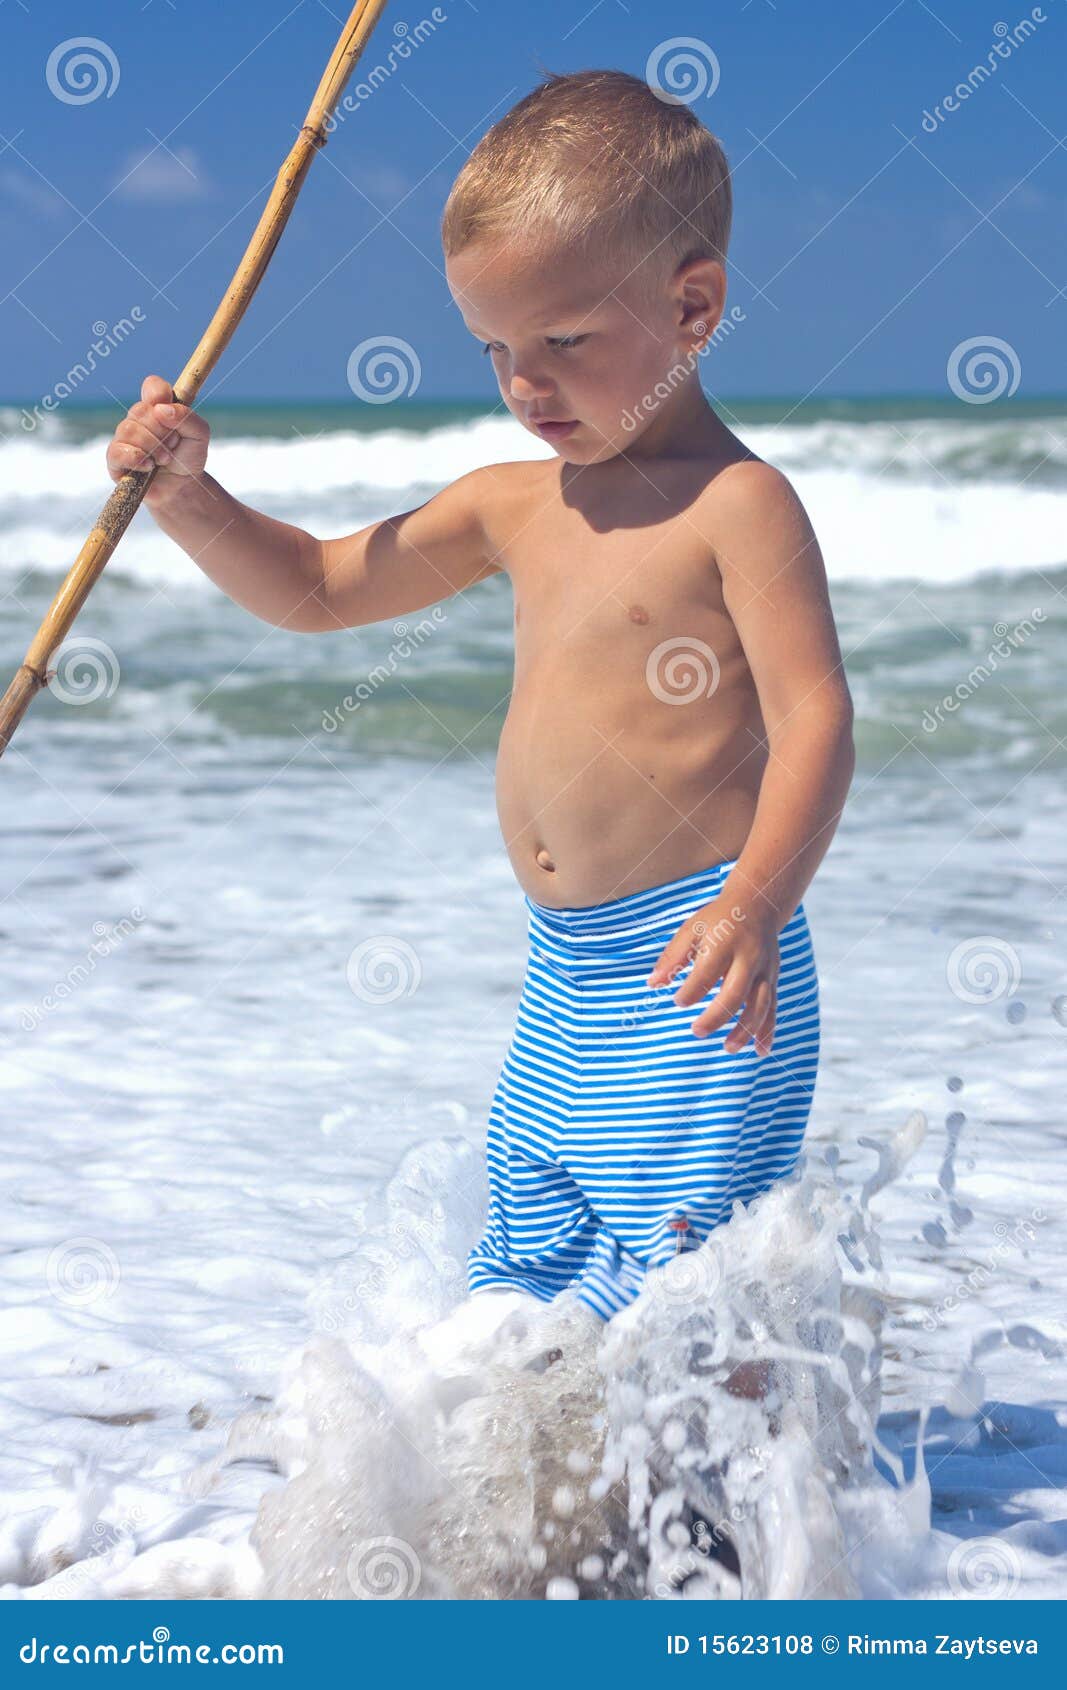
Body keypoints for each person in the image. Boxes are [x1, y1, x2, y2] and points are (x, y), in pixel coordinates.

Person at [106, 69, 854, 1324]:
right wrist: (189, 496)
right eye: (496, 350)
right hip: (562, 975)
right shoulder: (511, 503)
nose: (524, 384)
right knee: (527, 1295)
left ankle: (754, 1520)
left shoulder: (737, 505)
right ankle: (522, 1519)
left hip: (696, 966)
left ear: (691, 305)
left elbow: (817, 721)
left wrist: (756, 902)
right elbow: (313, 587)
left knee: (684, 1306)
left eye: (562, 342)